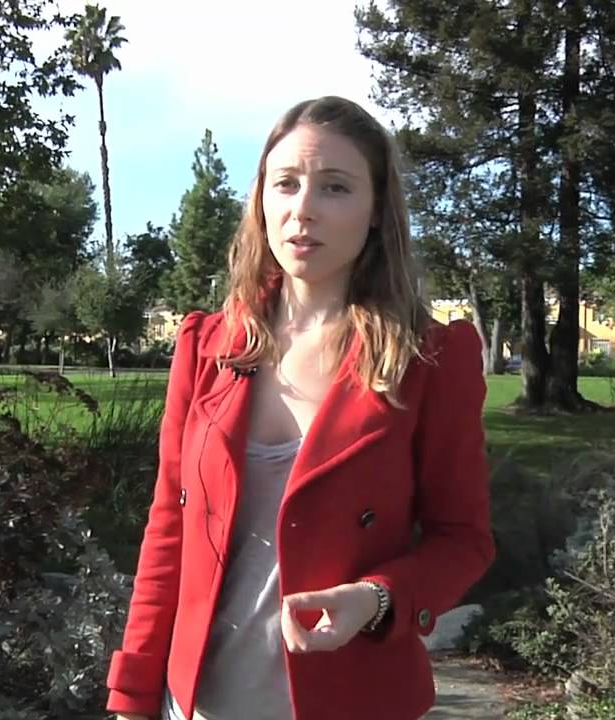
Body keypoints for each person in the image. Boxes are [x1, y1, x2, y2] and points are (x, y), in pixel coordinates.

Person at [104, 95, 495, 720]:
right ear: (261, 201)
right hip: (199, 701)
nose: (302, 210)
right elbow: (168, 532)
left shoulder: (430, 360)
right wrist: (132, 697)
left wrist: (377, 598)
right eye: (285, 184)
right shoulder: (206, 347)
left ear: (375, 212)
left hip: (350, 698)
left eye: (335, 188)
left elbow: (464, 540)